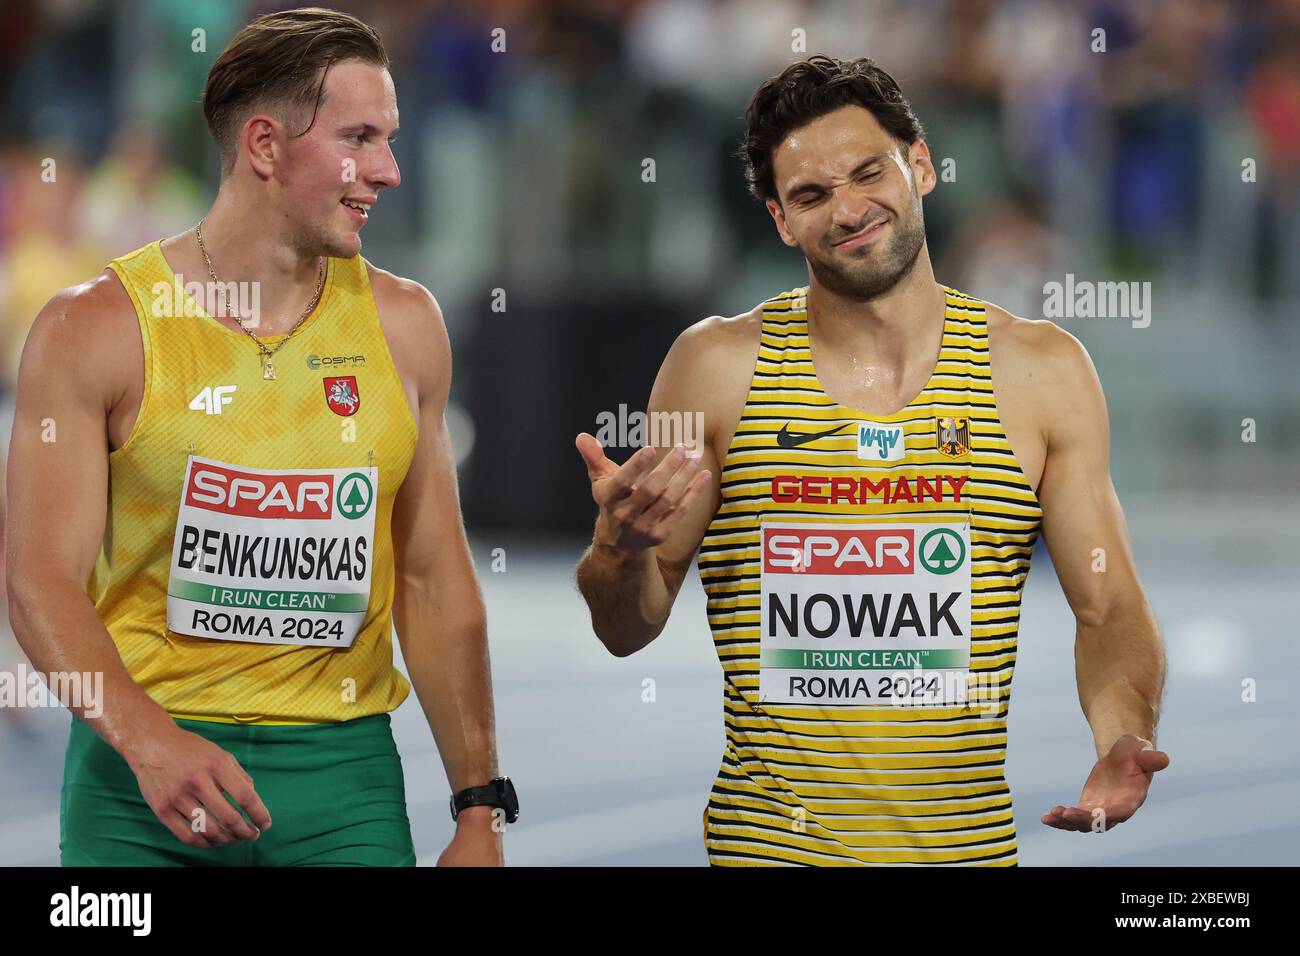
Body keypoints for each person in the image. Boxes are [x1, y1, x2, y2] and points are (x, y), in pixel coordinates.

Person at [575, 54, 1168, 866]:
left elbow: (1109, 608)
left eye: (867, 173)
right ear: (782, 221)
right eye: (812, 196)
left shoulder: (1039, 373)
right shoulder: (715, 369)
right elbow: (626, 628)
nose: (849, 210)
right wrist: (619, 548)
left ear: (919, 164)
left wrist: (1124, 732)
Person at [6, 7, 514, 866]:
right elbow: (39, 580)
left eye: (391, 137)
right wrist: (146, 740)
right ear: (265, 145)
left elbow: (432, 577)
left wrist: (477, 807)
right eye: (360, 137)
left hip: (343, 780)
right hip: (142, 791)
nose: (389, 170)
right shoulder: (94, 329)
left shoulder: (407, 327)